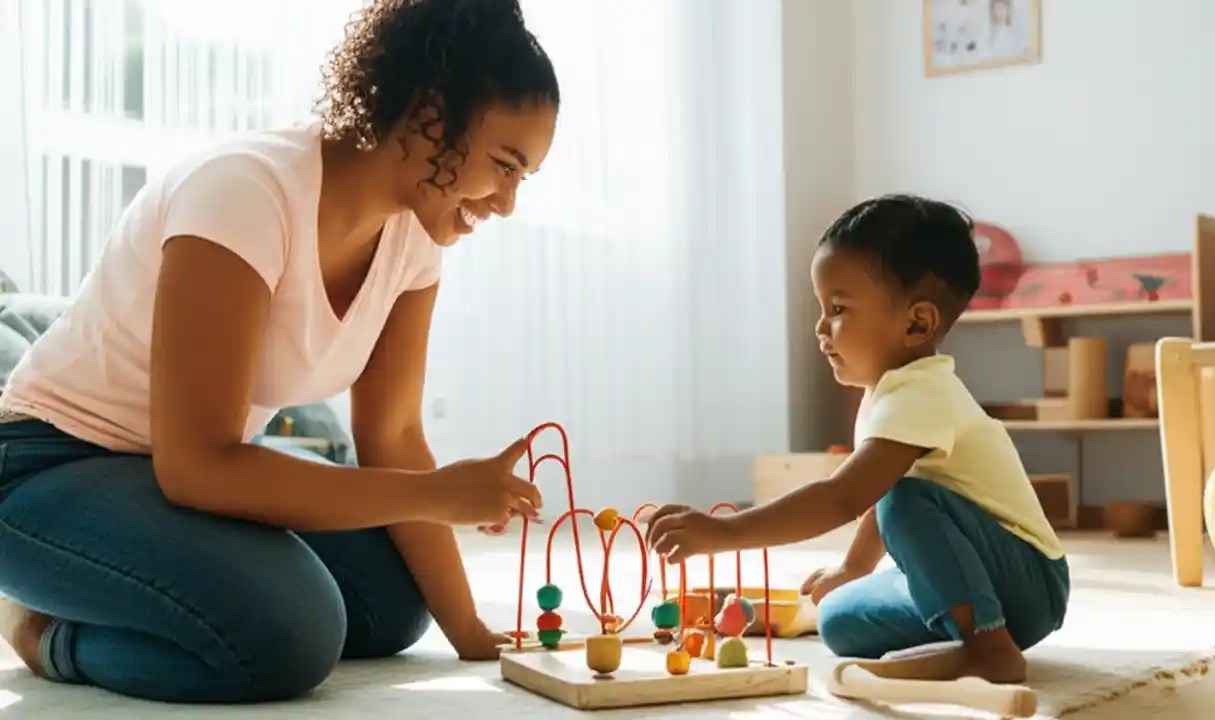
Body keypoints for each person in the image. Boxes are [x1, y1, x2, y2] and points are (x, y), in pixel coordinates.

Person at [0, 0, 557, 704]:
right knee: (290, 634)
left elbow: (392, 434)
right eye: (504, 165)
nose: (506, 203)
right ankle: (40, 627)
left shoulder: (415, 240)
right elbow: (199, 466)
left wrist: (472, 633)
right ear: (431, 110)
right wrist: (436, 496)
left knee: (392, 599)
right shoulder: (246, 193)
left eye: (522, 178)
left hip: (161, 480)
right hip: (44, 468)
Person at [645, 195, 1069, 684]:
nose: (821, 328)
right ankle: (961, 634)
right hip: (983, 578)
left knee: (906, 500)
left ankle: (988, 648)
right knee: (841, 620)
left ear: (917, 323)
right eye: (822, 308)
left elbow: (846, 497)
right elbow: (880, 495)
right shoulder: (885, 396)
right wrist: (851, 569)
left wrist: (725, 533)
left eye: (839, 308)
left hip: (1030, 582)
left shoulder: (922, 393)